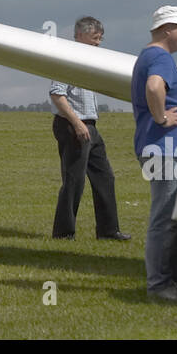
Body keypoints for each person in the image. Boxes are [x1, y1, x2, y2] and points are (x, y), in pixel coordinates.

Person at [131, 5, 177, 300]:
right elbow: (154, 86)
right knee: (166, 218)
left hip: (169, 150)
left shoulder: (152, 56)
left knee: (176, 218)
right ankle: (160, 286)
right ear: (166, 29)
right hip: (167, 150)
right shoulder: (159, 57)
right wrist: (161, 118)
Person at [48, 17, 129, 241]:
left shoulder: (89, 62)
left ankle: (108, 231)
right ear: (80, 35)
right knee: (74, 180)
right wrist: (76, 123)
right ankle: (63, 233)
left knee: (105, 176)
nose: (98, 43)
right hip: (73, 126)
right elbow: (57, 94)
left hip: (90, 126)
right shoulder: (67, 59)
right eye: (95, 38)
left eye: (100, 38)